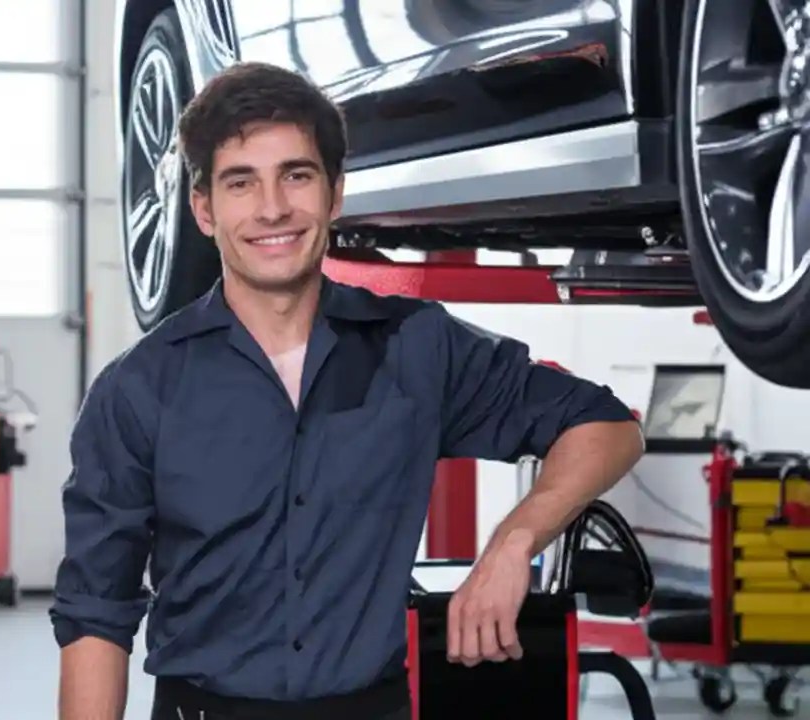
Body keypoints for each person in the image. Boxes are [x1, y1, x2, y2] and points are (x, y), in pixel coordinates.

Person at [50, 61, 644, 720]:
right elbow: (95, 616)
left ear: (334, 193)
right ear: (203, 209)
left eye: (296, 176)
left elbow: (606, 427)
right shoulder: (137, 390)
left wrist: (513, 543)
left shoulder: (417, 347)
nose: (273, 208)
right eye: (241, 183)